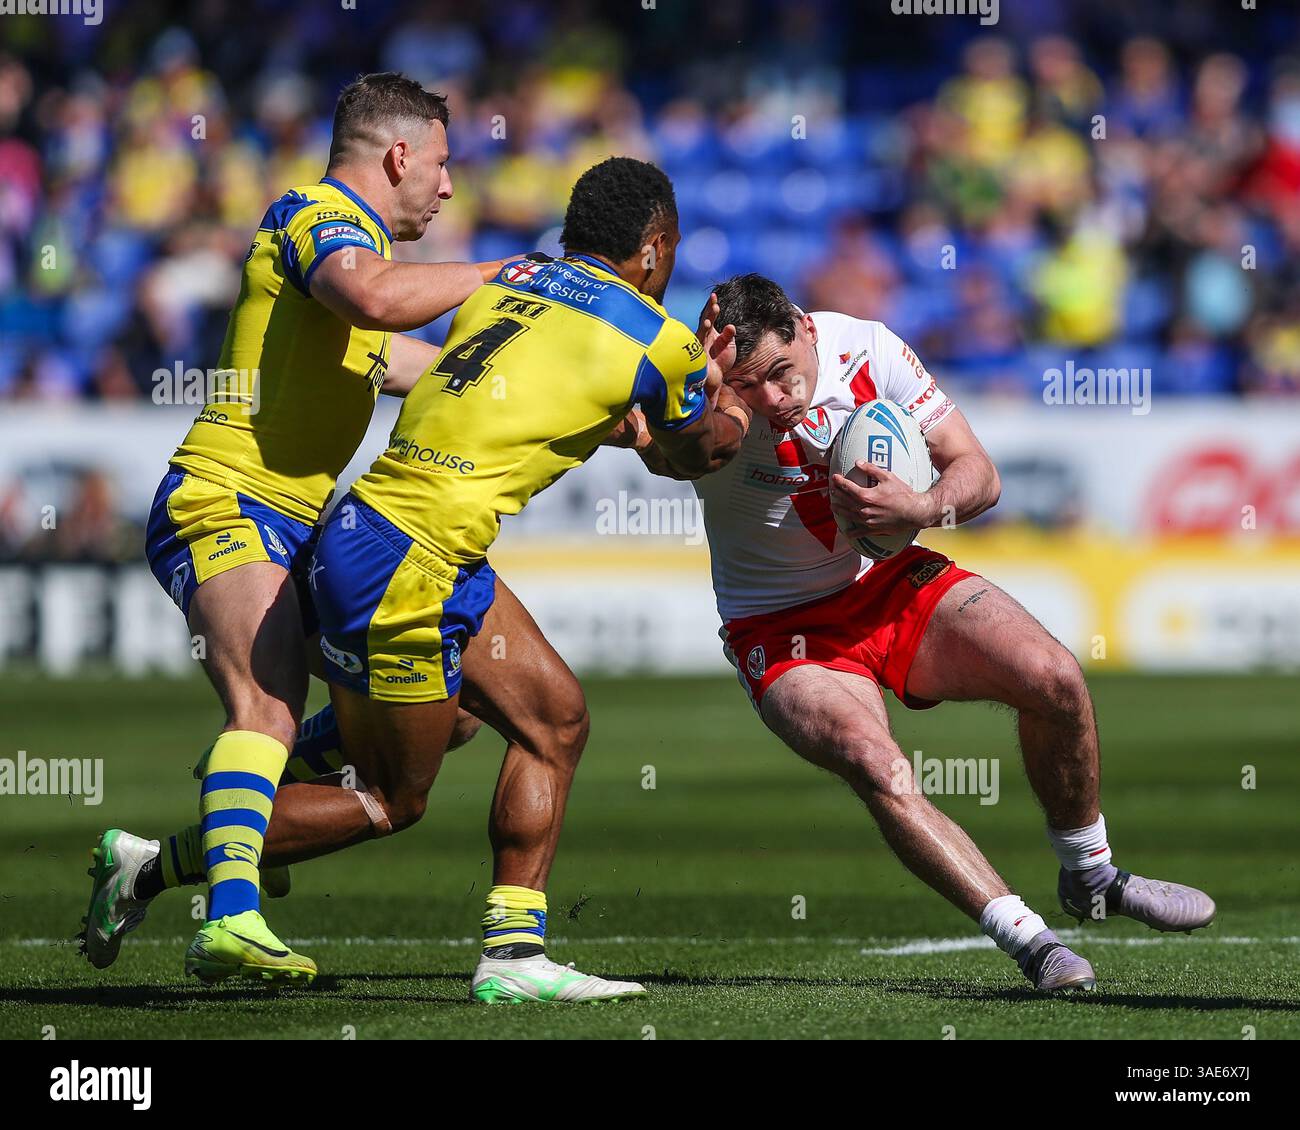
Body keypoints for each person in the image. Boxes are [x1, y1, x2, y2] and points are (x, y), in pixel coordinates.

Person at [634, 273, 1214, 992]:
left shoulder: (866, 348)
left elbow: (978, 471)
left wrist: (924, 506)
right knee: (873, 761)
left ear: (806, 330)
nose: (773, 401)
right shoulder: (709, 395)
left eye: (783, 375)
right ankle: (1034, 945)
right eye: (752, 386)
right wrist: (689, 402)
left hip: (889, 584)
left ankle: (1092, 875)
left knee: (1055, 677)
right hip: (781, 628)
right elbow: (673, 454)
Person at [81, 72, 518, 985]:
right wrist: (497, 277)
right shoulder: (317, 217)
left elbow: (414, 362)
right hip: (225, 499)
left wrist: (545, 373)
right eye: (440, 165)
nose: (447, 187)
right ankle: (230, 919)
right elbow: (374, 301)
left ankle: (177, 840)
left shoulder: (356, 266)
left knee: (451, 719)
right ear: (398, 155)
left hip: (300, 524)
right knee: (270, 708)